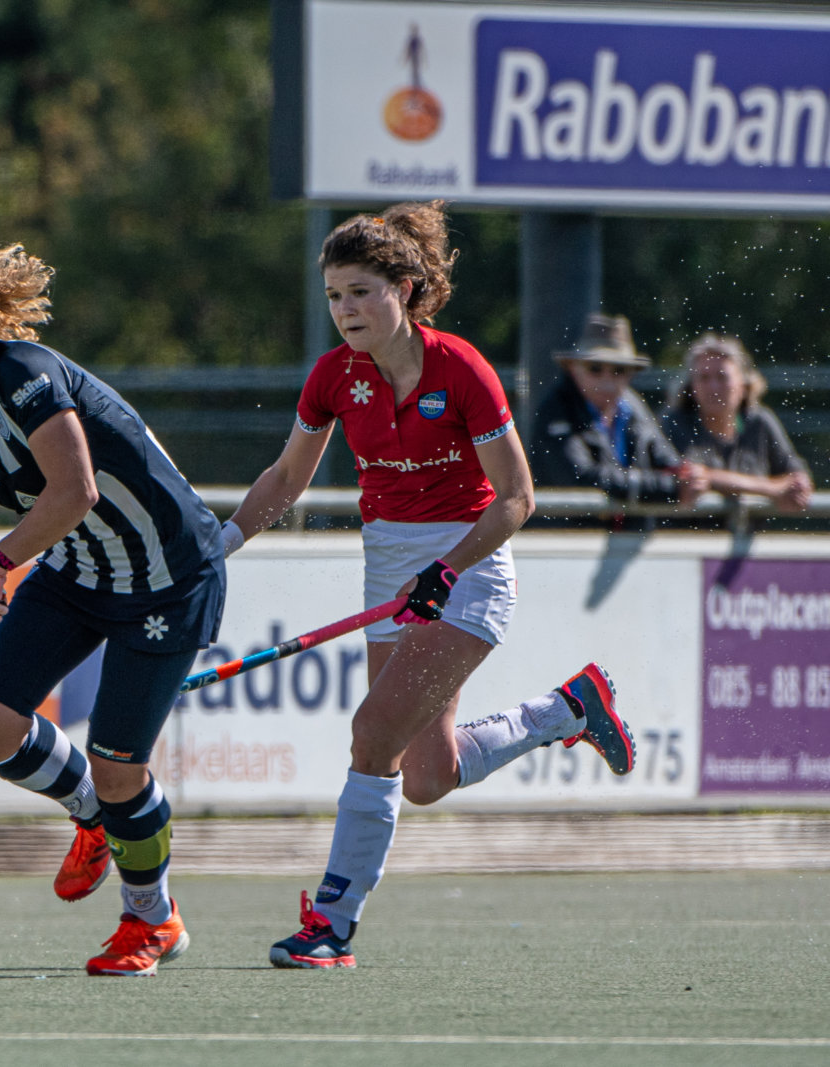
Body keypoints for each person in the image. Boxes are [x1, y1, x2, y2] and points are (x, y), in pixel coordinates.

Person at [222, 201, 636, 970]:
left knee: (372, 733)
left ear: (405, 289)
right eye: (335, 296)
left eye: (360, 293)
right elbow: (286, 479)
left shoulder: (462, 370)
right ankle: (566, 709)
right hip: (388, 563)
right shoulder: (333, 377)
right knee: (426, 776)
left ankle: (332, 923)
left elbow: (517, 496)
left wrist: (445, 572)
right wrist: (223, 544)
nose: (345, 311)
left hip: (468, 567)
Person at [0, 244, 226, 977]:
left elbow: (75, 491)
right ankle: (93, 815)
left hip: (169, 576)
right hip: (79, 574)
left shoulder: (24, 374)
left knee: (118, 765)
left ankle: (151, 918)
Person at [529, 313, 707, 529]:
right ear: (572, 369)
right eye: (595, 368)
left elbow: (670, 463)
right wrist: (671, 487)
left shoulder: (633, 407)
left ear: (631, 373)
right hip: (564, 546)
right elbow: (582, 479)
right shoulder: (555, 412)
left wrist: (689, 477)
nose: (607, 378)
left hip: (627, 543)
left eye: (619, 370)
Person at [662, 333, 813, 515]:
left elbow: (797, 478)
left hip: (752, 540)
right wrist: (772, 489)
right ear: (691, 387)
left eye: (722, 377)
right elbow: (691, 477)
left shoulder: (759, 422)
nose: (713, 387)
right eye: (704, 378)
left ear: (743, 385)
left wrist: (795, 487)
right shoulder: (675, 423)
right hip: (687, 540)